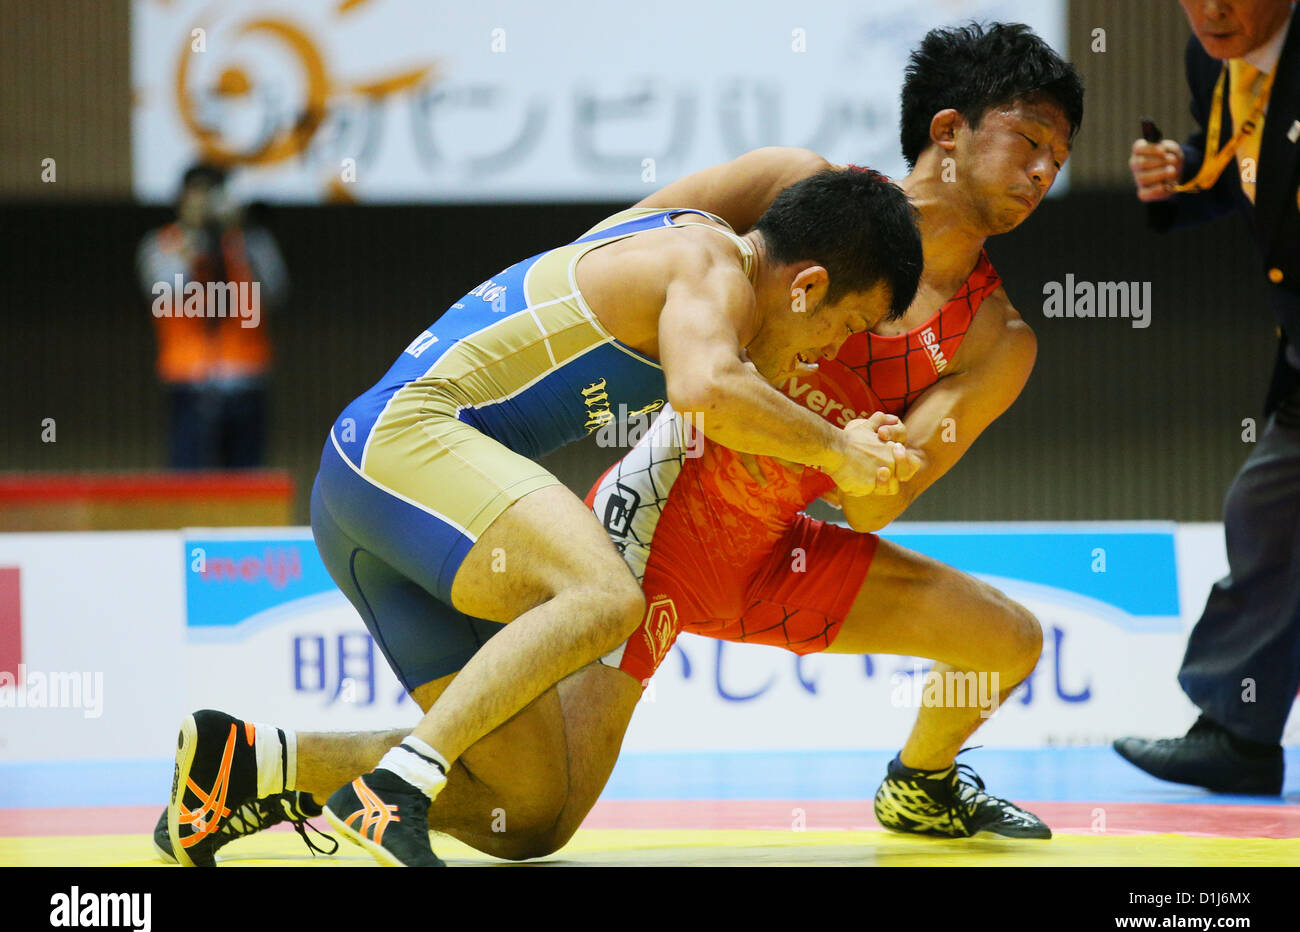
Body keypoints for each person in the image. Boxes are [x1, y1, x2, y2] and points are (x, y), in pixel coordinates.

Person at [152, 22, 1084, 864]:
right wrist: (802, 408)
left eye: (1061, 156)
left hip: (776, 547)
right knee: (565, 730)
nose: (1046, 170)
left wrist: (865, 456)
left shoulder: (995, 336)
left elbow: (873, 499)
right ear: (950, 129)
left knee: (1004, 640)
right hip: (654, 524)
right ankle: (396, 781)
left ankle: (256, 763)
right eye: (1031, 140)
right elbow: (614, 255)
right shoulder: (777, 204)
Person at [166, 167, 926, 866]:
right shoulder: (710, 264)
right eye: (846, 326)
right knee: (604, 597)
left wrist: (849, 441)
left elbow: (730, 375)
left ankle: (248, 763)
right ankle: (394, 787)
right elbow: (708, 390)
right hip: (404, 444)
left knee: (528, 811)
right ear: (809, 282)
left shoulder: (673, 240)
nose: (831, 353)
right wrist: (837, 449)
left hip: (373, 504)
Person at [1116, 0, 1300, 795]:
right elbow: (1247, 168)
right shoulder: (1214, 63)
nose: (1211, 10)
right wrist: (1178, 177)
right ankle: (1238, 732)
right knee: (1269, 509)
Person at [136, 163, 288, 468]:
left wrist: (241, 236)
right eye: (200, 195)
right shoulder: (163, 244)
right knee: (190, 484)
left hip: (246, 379)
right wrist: (194, 242)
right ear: (183, 199)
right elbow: (164, 290)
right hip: (189, 382)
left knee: (248, 487)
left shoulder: (249, 241)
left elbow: (276, 290)